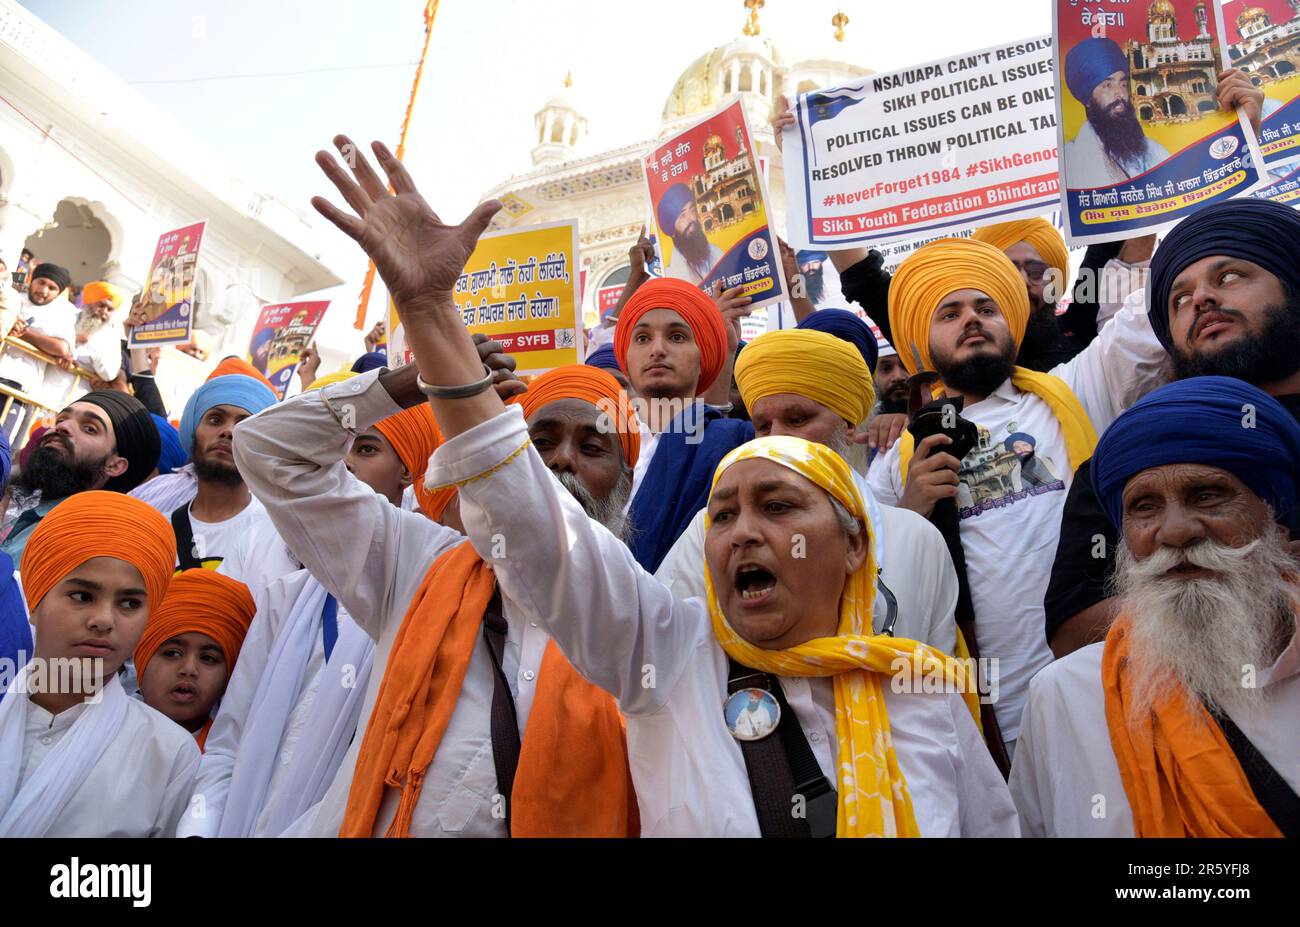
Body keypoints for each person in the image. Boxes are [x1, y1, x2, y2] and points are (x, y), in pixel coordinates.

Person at [298, 134, 1017, 837]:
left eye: (777, 506)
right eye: (723, 512)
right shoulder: (670, 661)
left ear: (858, 544)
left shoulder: (924, 696)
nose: (739, 531)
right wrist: (429, 315)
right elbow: (536, 524)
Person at [237, 154, 641, 835]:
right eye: (540, 442)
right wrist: (408, 380)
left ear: (624, 483)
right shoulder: (417, 565)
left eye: (593, 446)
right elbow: (268, 453)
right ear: (505, 457)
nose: (564, 458)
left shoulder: (634, 616)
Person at [869, 237, 1167, 756]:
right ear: (923, 337)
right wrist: (912, 510)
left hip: (1108, 680)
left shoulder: (1075, 389)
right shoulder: (898, 458)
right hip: (992, 714)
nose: (973, 319)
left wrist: (1130, 189)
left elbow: (1151, 310)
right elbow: (867, 583)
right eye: (950, 312)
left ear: (1011, 321)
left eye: (987, 308)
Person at [1011, 378, 1300, 837]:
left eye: (1207, 495)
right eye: (1145, 507)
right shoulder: (1065, 694)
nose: (1176, 531)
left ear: (1278, 521)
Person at [1046, 198, 1300, 656]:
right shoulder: (1135, 452)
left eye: (1228, 277)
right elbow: (1070, 634)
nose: (1201, 298)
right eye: (1179, 298)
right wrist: (1208, 595)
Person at [655, 327, 959, 655]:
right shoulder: (712, 528)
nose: (778, 439)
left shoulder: (917, 537)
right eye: (763, 426)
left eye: (798, 419)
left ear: (848, 426)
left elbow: (940, 676)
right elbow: (667, 645)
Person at [0, 492, 198, 836]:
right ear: (35, 600)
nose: (104, 620)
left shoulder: (168, 755)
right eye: (82, 596)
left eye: (130, 603)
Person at [617, 276, 753, 571]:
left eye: (677, 336)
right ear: (625, 361)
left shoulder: (736, 443)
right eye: (642, 338)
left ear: (704, 356)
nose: (657, 349)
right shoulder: (600, 442)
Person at [1, 390, 161, 559]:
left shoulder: (82, 541)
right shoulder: (18, 500)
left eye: (89, 429)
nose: (62, 427)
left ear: (114, 466)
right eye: (61, 420)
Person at [134, 569, 256, 751]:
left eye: (208, 658)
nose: (189, 669)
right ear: (142, 658)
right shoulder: (95, 732)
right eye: (172, 653)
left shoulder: (237, 757)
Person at [171, 373, 279, 569]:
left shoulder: (276, 536)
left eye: (244, 425)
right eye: (215, 420)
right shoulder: (159, 529)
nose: (228, 431)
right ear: (194, 431)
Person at [1062, 37, 1171, 185]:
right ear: (1088, 99)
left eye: (1123, 84)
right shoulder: (1071, 159)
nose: (1120, 94)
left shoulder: (1154, 151)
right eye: (1107, 85)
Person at [0, 262, 78, 408]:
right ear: (32, 280)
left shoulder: (63, 312)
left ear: (59, 292)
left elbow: (61, 348)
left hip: (20, 383)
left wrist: (23, 333)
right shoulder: (12, 297)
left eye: (52, 288)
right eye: (41, 282)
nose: (43, 290)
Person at [657, 183, 723, 284]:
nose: (692, 219)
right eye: (682, 216)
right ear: (672, 231)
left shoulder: (716, 252)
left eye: (692, 210)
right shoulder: (671, 276)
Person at [74, 280, 128, 384]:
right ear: (90, 302)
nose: (104, 312)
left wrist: (93, 351)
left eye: (109, 309)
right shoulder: (71, 316)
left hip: (79, 389)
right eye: (101, 305)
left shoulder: (111, 337)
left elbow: (110, 374)